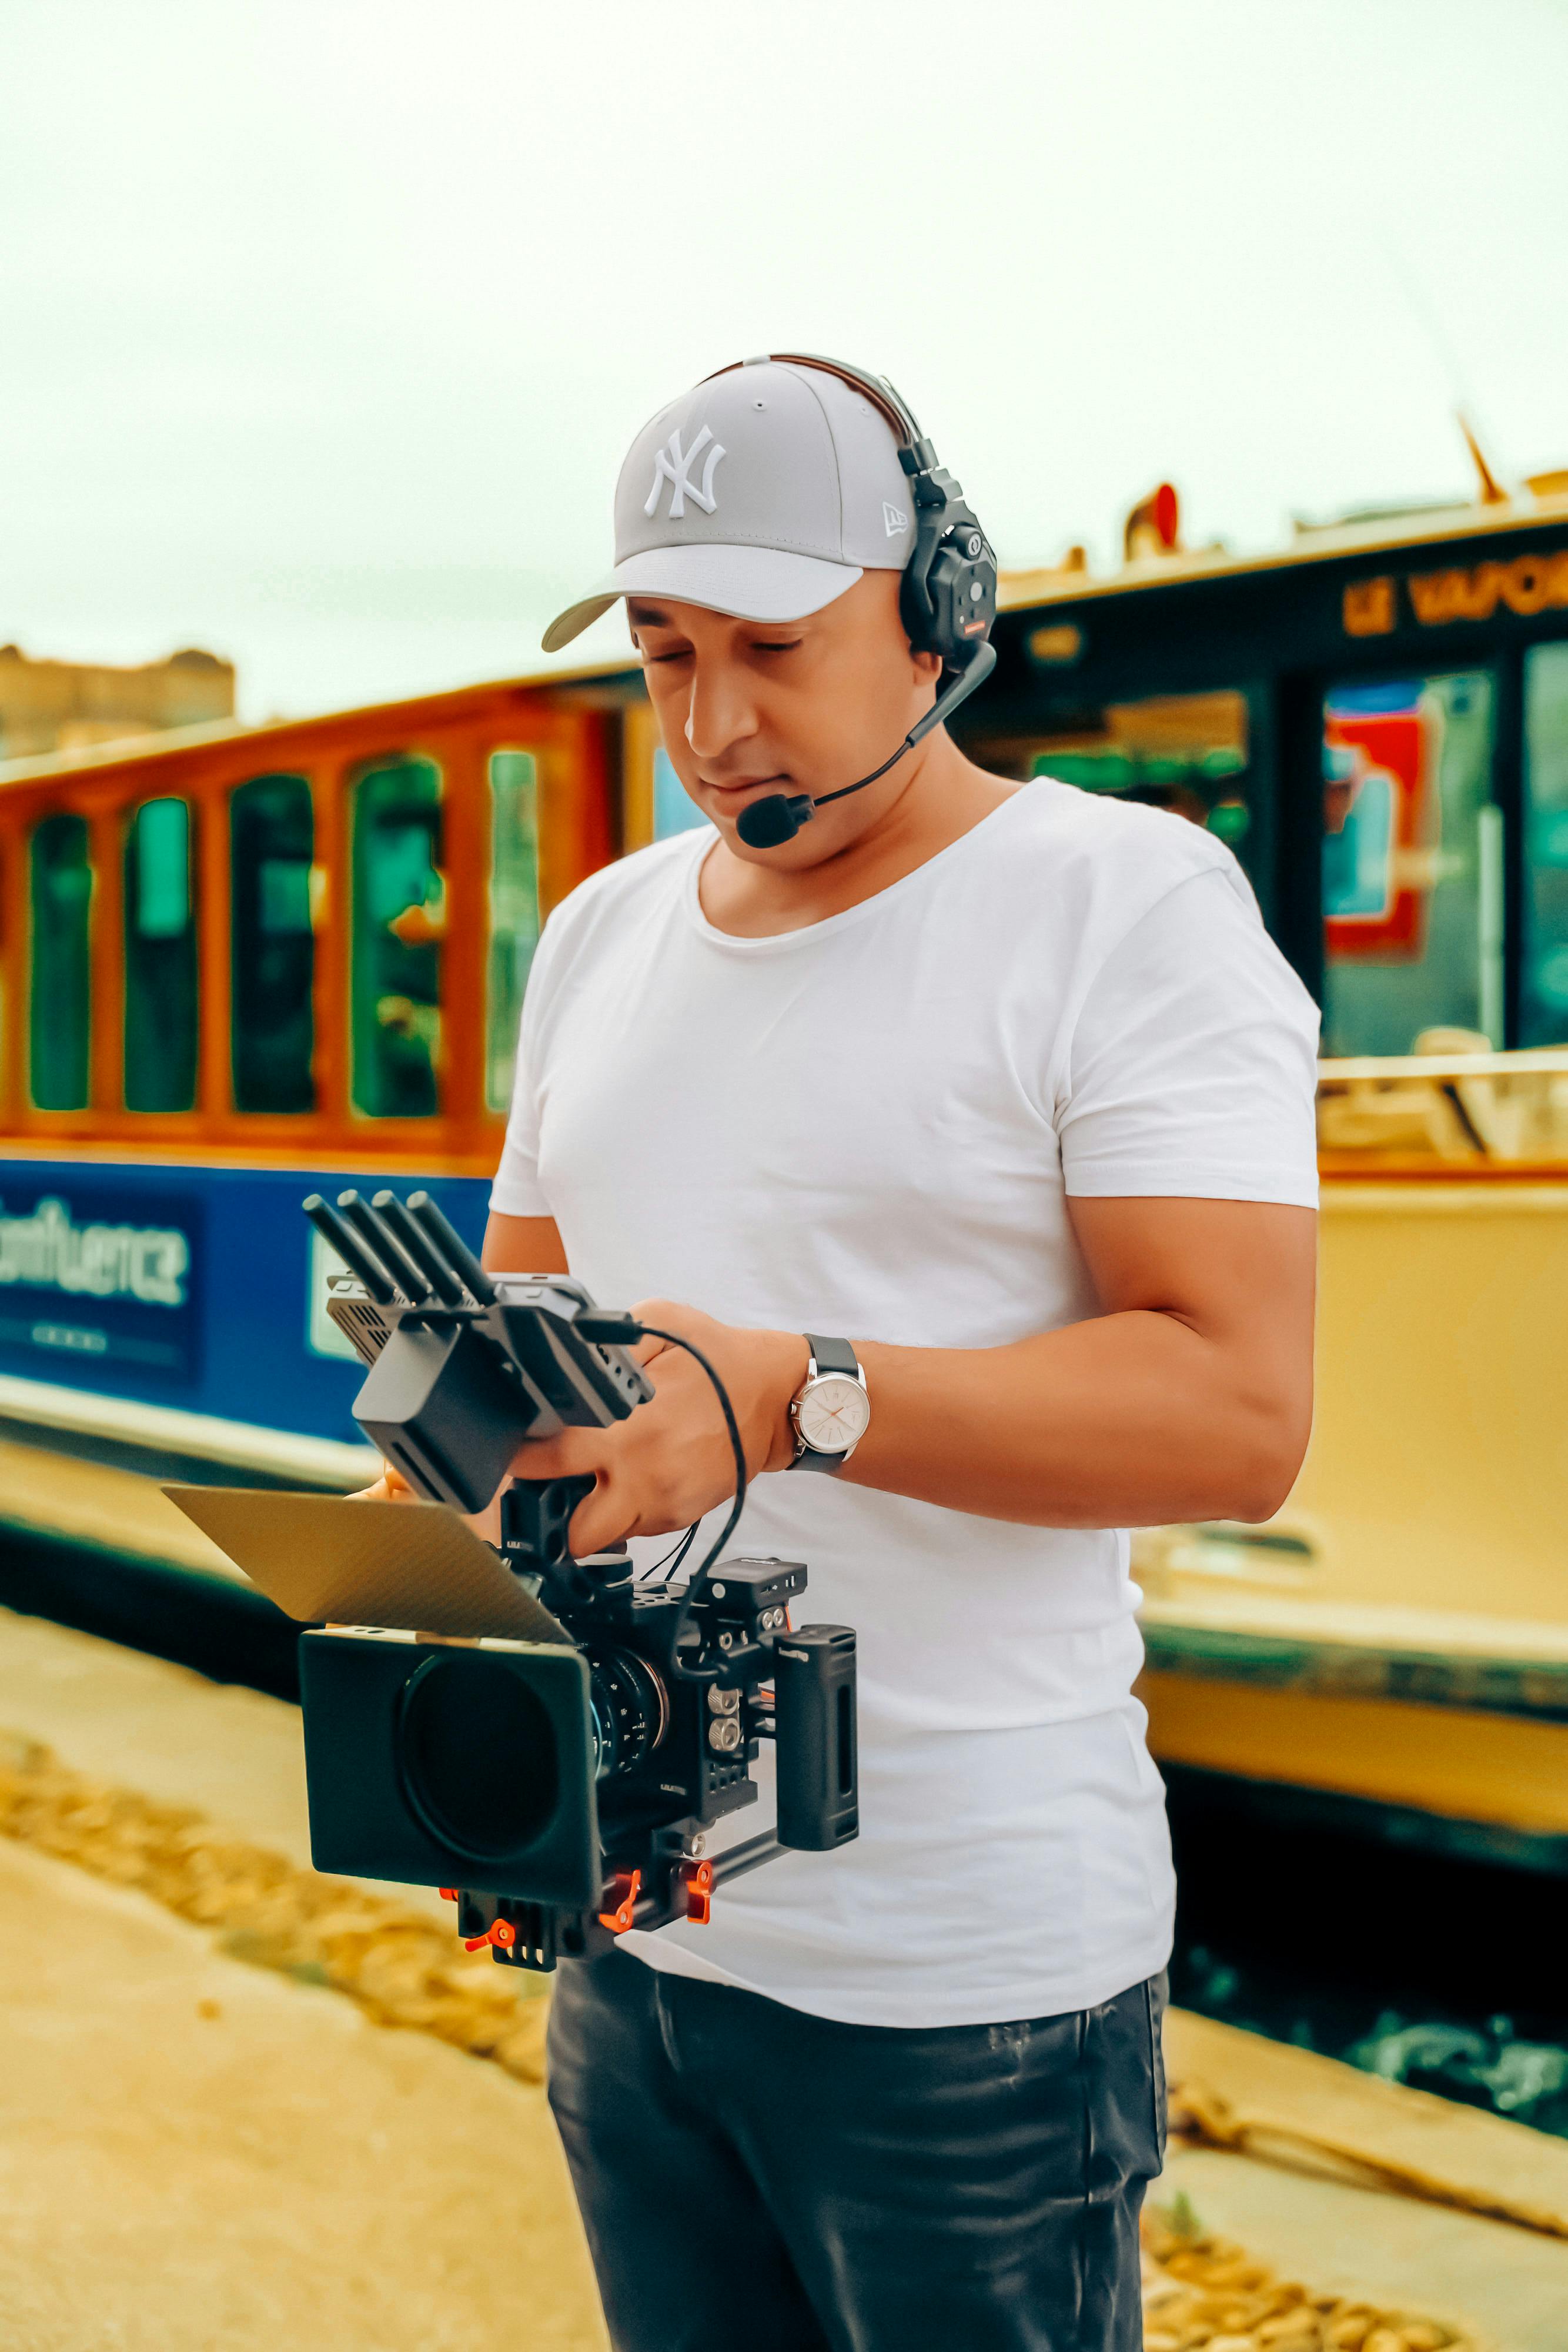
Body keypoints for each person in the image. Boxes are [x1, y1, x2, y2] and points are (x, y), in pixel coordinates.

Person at [483, 356, 1319, 2351]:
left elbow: (1235, 1411)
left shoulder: (1121, 904)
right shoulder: (596, 937)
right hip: (636, 1939)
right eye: (666, 653)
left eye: (774, 645)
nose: (710, 722)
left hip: (969, 1987)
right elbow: (524, 1356)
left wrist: (787, 1396)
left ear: (937, 609)